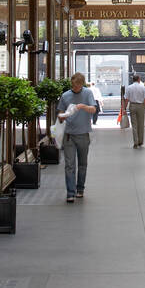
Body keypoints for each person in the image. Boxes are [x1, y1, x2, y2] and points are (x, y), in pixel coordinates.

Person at [56, 72, 99, 203]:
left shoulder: (87, 93)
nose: (75, 88)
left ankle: (80, 188)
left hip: (83, 134)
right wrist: (63, 116)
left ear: (82, 84)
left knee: (82, 164)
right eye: (73, 86)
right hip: (69, 135)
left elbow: (94, 109)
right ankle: (70, 192)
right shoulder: (65, 95)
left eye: (78, 86)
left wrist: (83, 107)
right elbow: (60, 113)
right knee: (69, 164)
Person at [122, 73, 145, 148]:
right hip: (141, 106)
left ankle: (135, 142)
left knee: (134, 125)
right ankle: (140, 141)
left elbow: (126, 99)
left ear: (133, 80)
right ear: (139, 79)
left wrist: (124, 108)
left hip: (132, 106)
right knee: (141, 124)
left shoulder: (129, 88)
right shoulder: (143, 87)